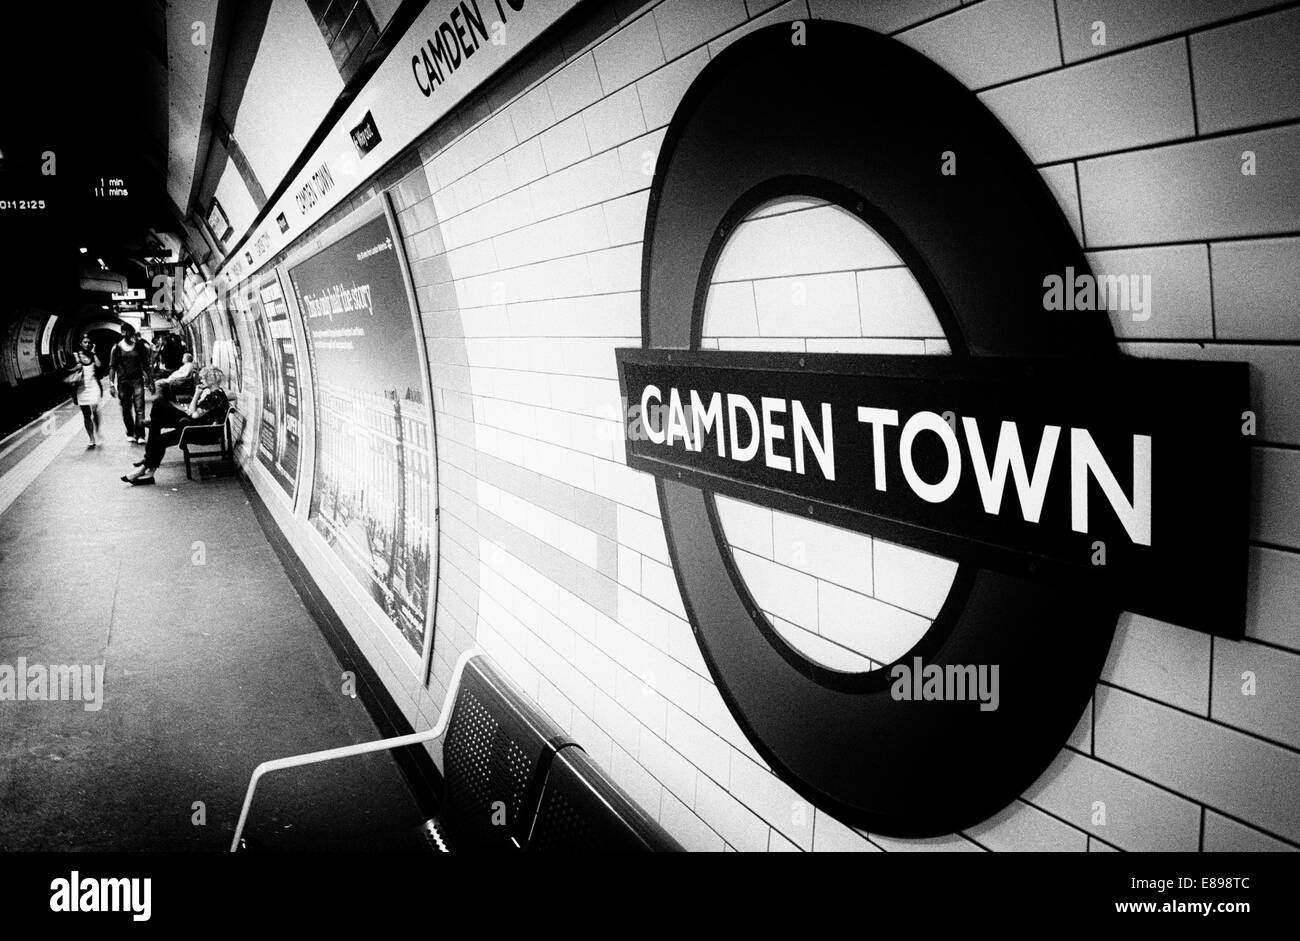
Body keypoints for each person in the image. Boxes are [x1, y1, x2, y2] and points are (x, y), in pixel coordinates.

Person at [122, 365, 230, 486]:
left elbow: (193, 414)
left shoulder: (214, 396)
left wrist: (196, 395)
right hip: (193, 426)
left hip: (196, 430)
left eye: (203, 378)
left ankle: (145, 467)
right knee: (157, 415)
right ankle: (148, 469)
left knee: (158, 416)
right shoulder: (216, 394)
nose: (201, 381)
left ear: (211, 380)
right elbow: (193, 412)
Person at [108, 323, 153, 444]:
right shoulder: (117, 348)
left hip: (137, 380)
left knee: (140, 409)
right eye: (124, 332)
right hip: (123, 382)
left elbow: (146, 365)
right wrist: (111, 384)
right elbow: (112, 367)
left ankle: (140, 435)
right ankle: (130, 432)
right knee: (126, 409)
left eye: (128, 332)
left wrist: (150, 381)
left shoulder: (139, 346)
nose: (126, 334)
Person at [67, 336, 104, 448]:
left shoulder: (92, 355)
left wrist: (94, 353)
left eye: (89, 342)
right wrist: (75, 368)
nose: (87, 344)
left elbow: (99, 366)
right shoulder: (75, 356)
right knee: (86, 414)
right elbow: (66, 371)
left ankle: (97, 430)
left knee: (95, 409)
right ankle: (91, 439)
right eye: (85, 342)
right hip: (81, 388)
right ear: (80, 344)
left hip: (94, 386)